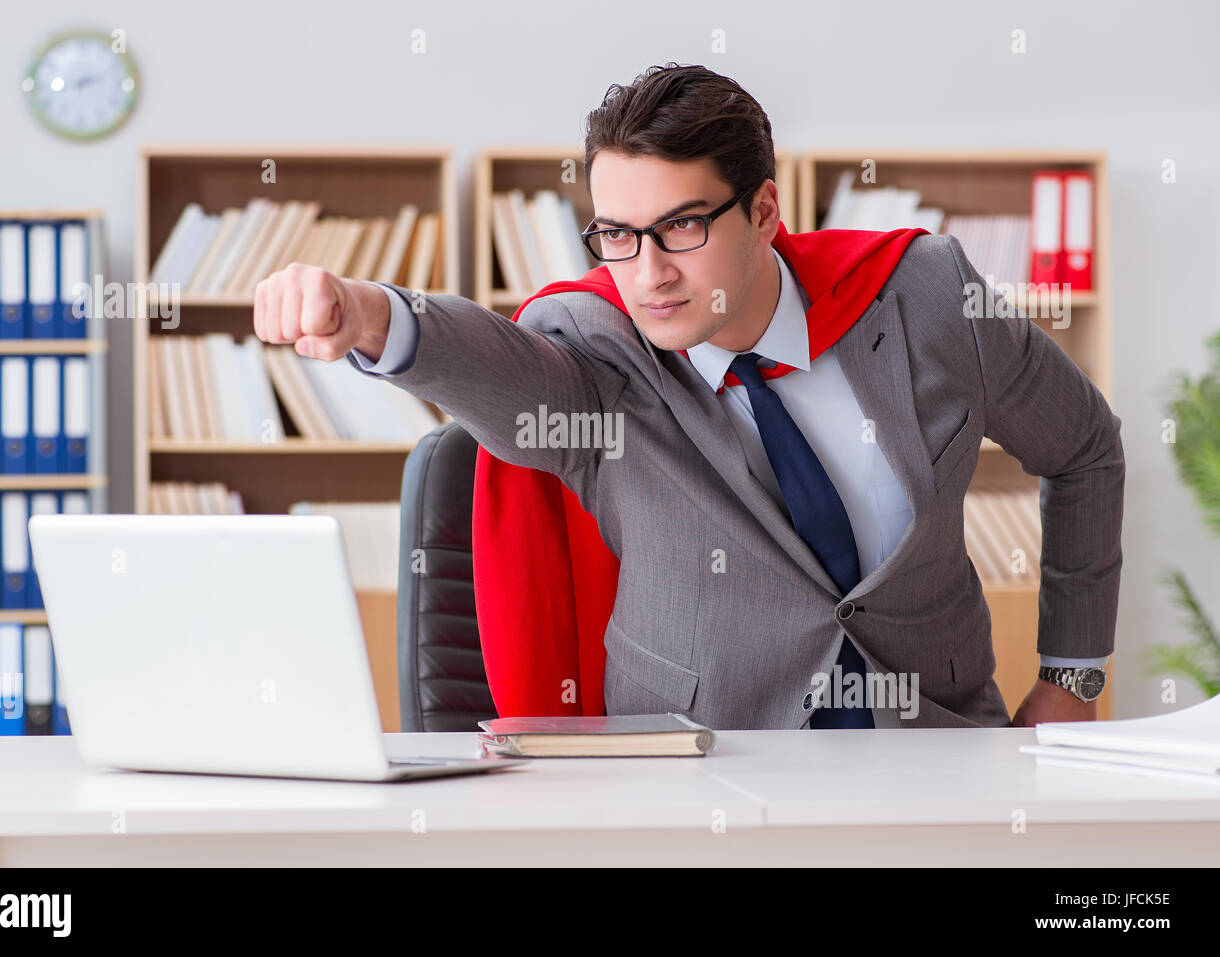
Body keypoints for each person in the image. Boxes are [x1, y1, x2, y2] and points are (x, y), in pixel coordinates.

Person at [252, 63, 1123, 730]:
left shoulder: (925, 296)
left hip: (938, 753)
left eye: (682, 225)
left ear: (766, 211)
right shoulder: (597, 351)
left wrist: (1072, 675)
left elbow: (1084, 446)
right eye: (617, 236)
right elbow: (497, 369)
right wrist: (371, 315)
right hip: (691, 768)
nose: (649, 273)